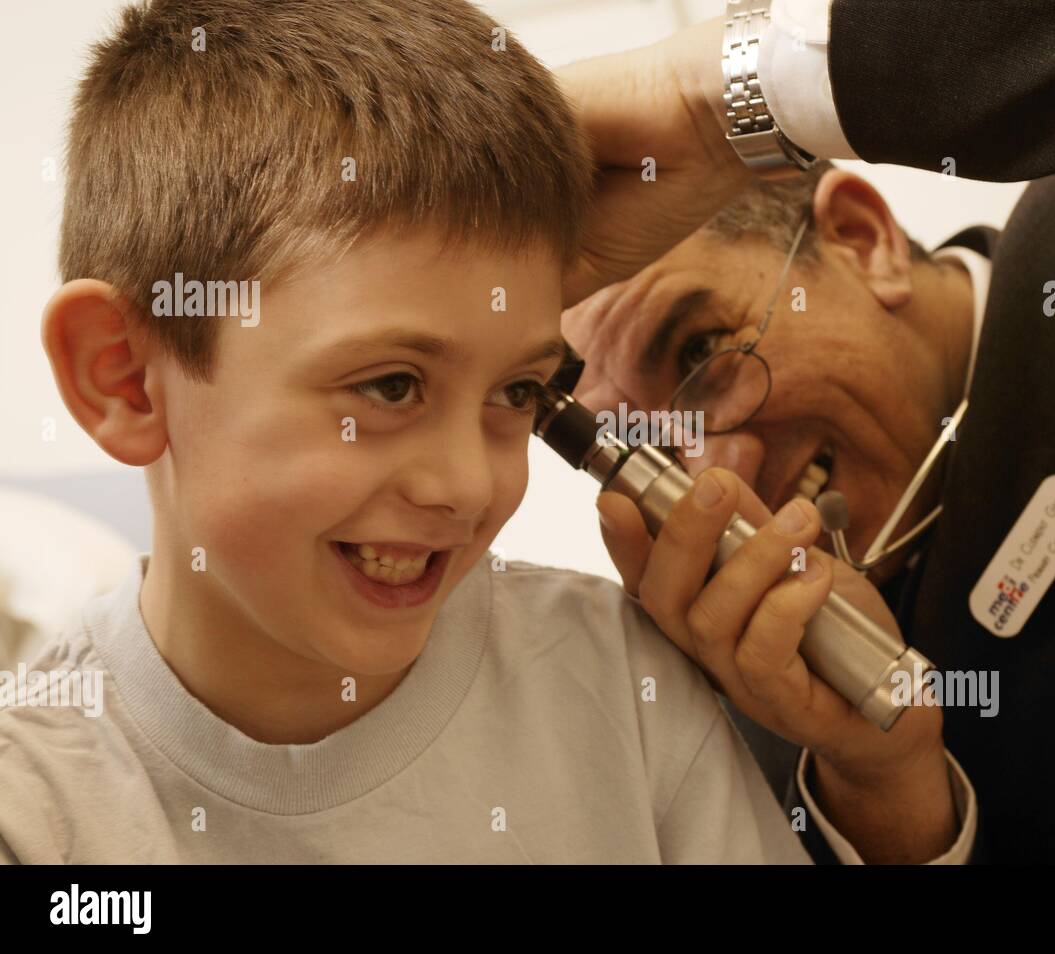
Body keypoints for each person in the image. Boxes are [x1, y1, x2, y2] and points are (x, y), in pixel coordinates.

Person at [0, 0, 974, 865]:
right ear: (122, 378)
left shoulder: (622, 689)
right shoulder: (31, 806)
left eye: (516, 392)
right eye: (390, 384)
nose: (469, 487)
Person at [560, 1, 1055, 862]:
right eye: (645, 444)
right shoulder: (755, 722)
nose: (719, 477)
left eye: (704, 349)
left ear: (859, 237)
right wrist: (888, 792)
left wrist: (720, 96)